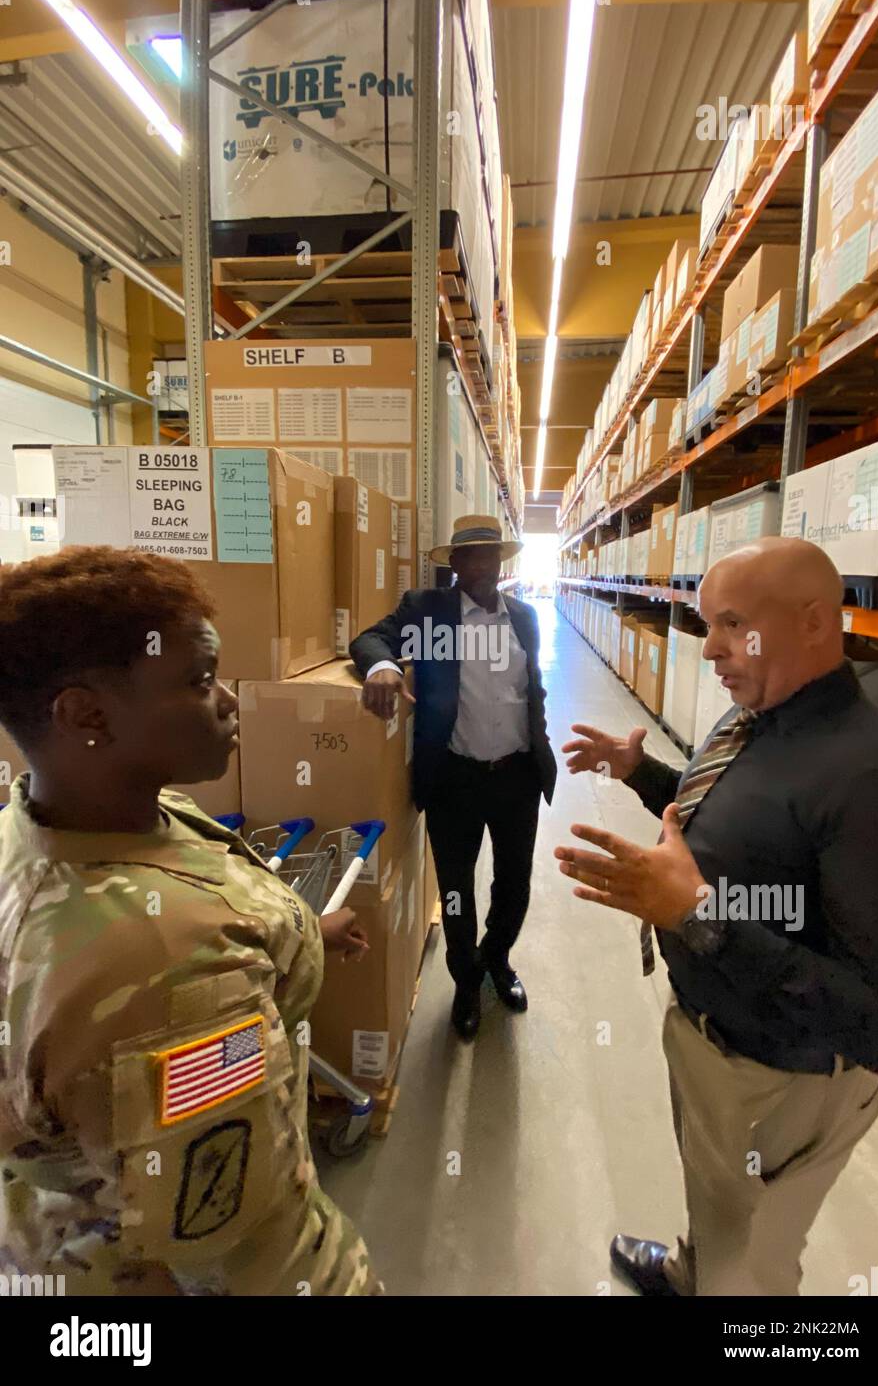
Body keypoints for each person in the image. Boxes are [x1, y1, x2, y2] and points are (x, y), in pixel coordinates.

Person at [0, 546, 379, 1296]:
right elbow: (248, 1250)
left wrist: (301, 933)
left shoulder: (83, 819)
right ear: (87, 716)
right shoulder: (164, 970)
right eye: (200, 681)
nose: (230, 700)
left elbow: (202, 879)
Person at [556, 536, 878, 1297]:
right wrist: (641, 773)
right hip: (716, 1045)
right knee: (719, 1213)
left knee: (750, 1267)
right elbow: (735, 834)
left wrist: (700, 919)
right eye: (704, 623)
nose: (707, 648)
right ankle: (693, 1269)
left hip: (780, 1084)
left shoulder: (871, 776)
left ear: (813, 622)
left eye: (728, 623)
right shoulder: (755, 716)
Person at [350, 514, 557, 1041]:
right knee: (457, 891)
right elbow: (373, 638)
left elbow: (530, 690)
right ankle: (466, 983)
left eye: (491, 555)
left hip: (516, 776)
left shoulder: (526, 618)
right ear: (456, 565)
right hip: (456, 779)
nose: (483, 565)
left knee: (513, 884)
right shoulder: (429, 612)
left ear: (501, 562)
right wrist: (382, 667)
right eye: (471, 556)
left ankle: (498, 962)